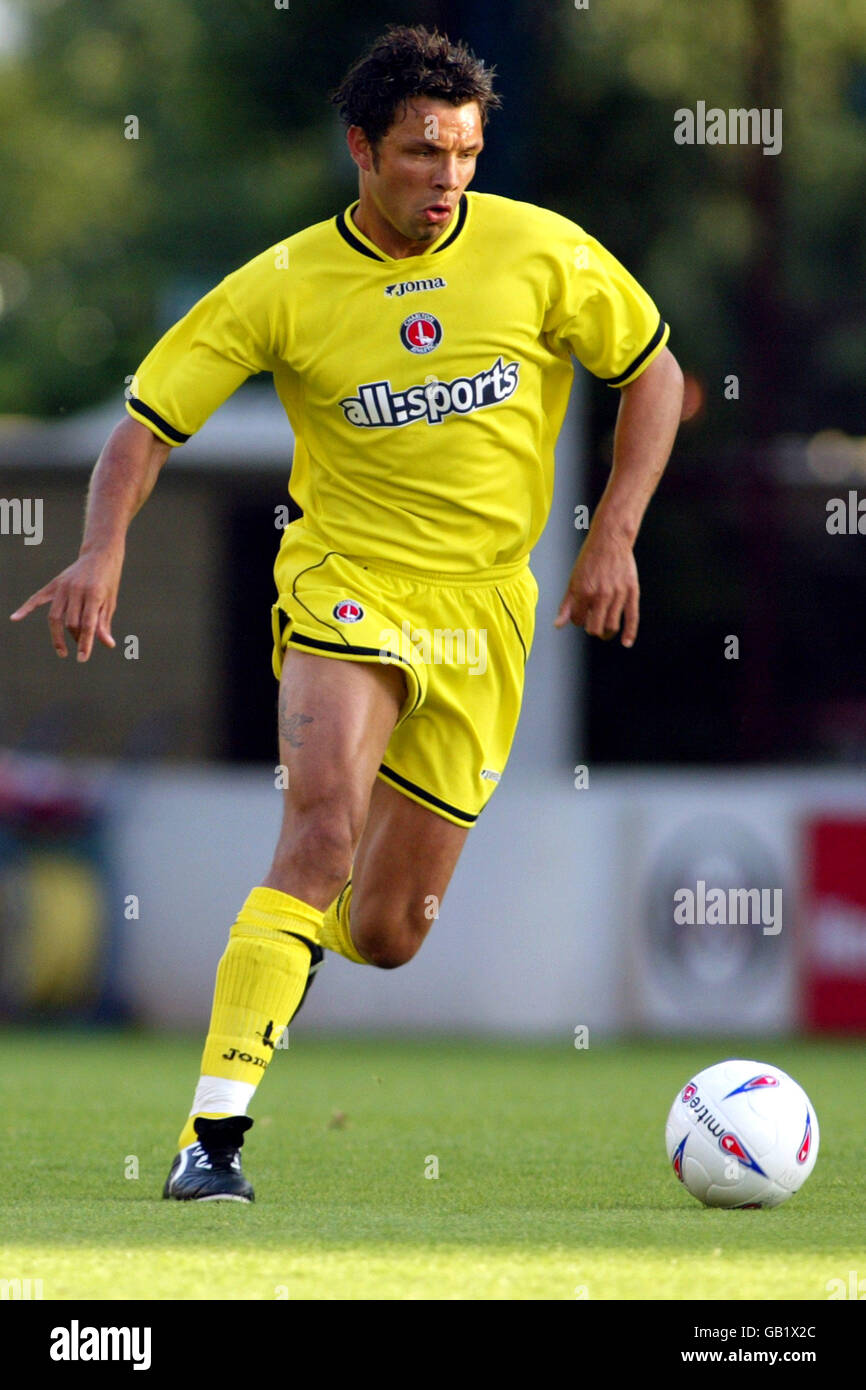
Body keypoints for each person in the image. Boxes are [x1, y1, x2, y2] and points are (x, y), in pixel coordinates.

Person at [11, 25, 684, 1202]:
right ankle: (210, 1140)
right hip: (346, 588)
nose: (447, 180)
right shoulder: (279, 287)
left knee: (385, 930)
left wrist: (614, 528)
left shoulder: (543, 252)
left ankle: (283, 951)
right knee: (317, 835)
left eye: (465, 155)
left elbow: (654, 371)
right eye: (423, 153)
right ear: (361, 148)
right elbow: (145, 425)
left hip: (486, 617)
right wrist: (100, 551)